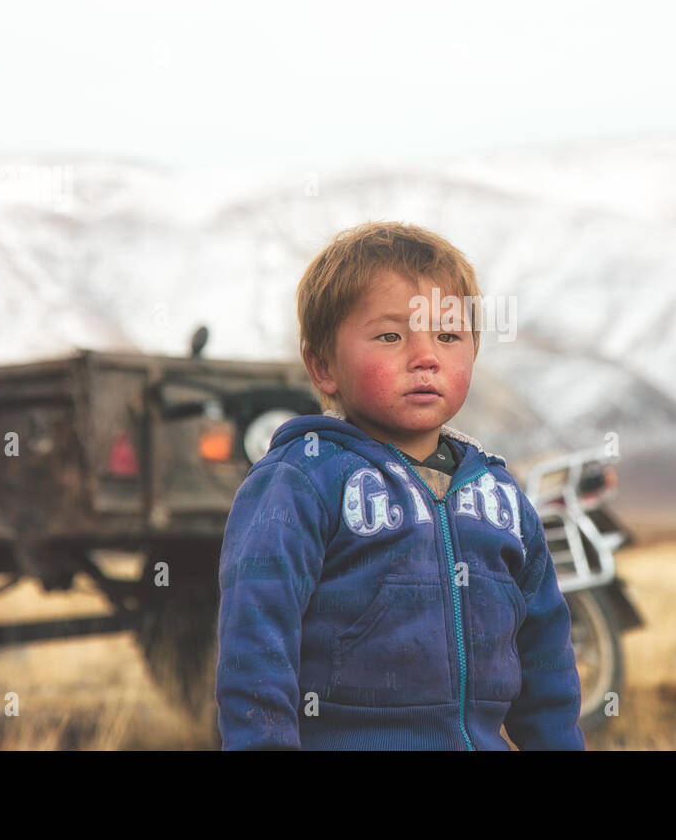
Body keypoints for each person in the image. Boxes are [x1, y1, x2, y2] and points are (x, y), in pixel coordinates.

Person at [215, 220, 585, 750]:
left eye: (449, 336)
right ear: (323, 366)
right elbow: (256, 646)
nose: (425, 356)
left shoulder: (500, 499)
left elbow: (547, 660)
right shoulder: (301, 479)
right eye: (390, 335)